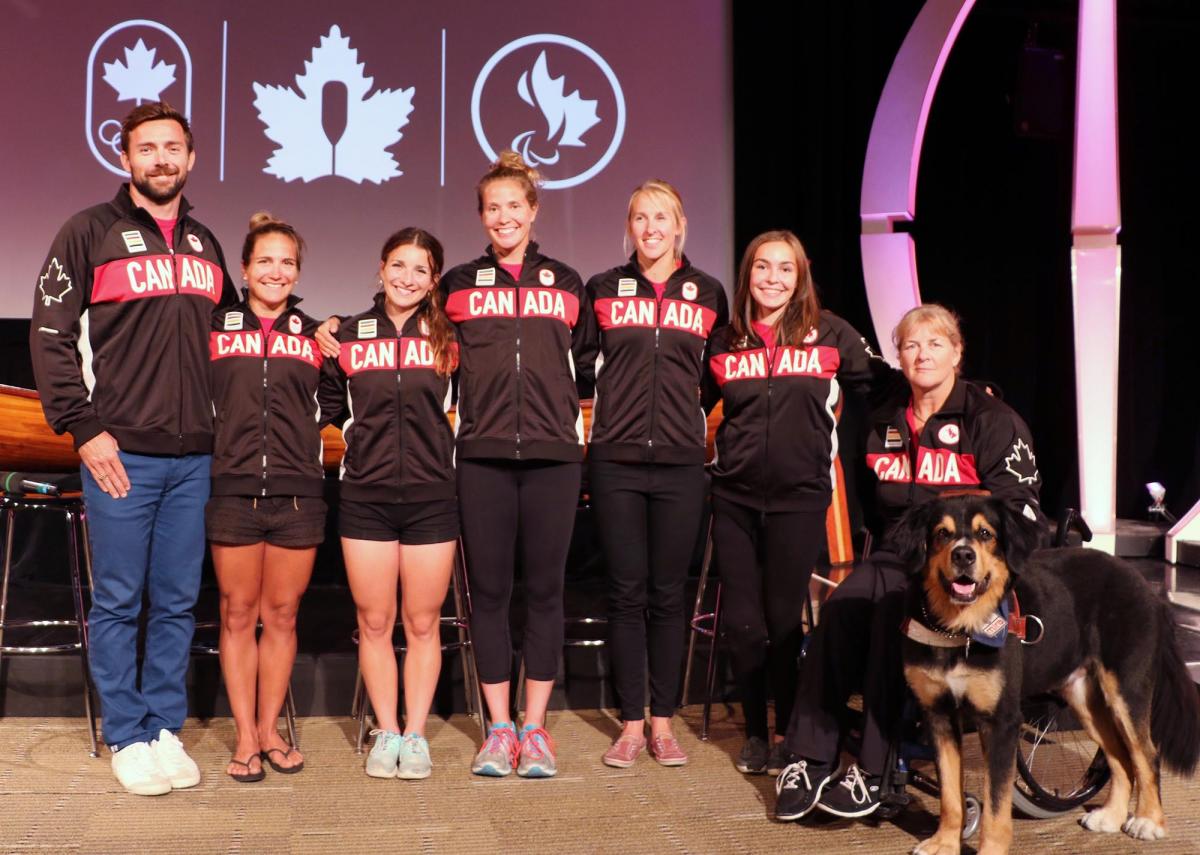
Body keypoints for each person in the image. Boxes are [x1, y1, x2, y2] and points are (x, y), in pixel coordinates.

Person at [29, 102, 236, 795]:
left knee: (177, 599)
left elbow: (233, 341)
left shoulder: (207, 245)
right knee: (119, 598)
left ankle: (164, 727)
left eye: (171, 147)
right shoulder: (87, 232)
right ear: (125, 159)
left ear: (191, 157)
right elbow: (51, 337)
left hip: (195, 457)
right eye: (145, 148)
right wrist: (83, 428)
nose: (159, 159)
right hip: (122, 455)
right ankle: (126, 732)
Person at [774, 303, 1043, 821]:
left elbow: (1023, 516)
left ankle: (873, 771)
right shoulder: (886, 413)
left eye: (935, 344)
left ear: (957, 354)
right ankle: (808, 756)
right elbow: (848, 349)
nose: (922, 355)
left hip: (964, 572)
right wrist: (794, 303)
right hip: (901, 558)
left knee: (888, 621)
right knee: (841, 607)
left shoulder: (991, 421)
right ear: (898, 355)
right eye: (911, 346)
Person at [705, 230, 890, 777]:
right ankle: (755, 734)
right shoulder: (726, 339)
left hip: (800, 497)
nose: (773, 279)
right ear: (748, 274)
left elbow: (884, 386)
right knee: (742, 621)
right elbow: (691, 400)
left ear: (800, 276)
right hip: (733, 495)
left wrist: (970, 398)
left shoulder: (832, 333)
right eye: (763, 267)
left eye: (785, 269)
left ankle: (787, 727)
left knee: (783, 619)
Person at [444, 151, 597, 778]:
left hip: (554, 457)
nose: (504, 216)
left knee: (544, 592)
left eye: (515, 205)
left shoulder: (567, 283)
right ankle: (498, 728)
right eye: (493, 207)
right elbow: (415, 337)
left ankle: (536, 730)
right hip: (480, 456)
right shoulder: (455, 284)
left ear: (533, 211)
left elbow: (588, 365)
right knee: (490, 593)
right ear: (481, 216)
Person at [585, 180, 727, 767]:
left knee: (669, 595)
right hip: (615, 459)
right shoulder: (602, 289)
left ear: (681, 226)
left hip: (678, 464)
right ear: (630, 227)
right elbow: (575, 365)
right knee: (625, 594)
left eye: (661, 217)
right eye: (640, 217)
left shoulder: (709, 292)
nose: (651, 228)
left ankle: (663, 723)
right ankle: (629, 724)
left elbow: (720, 372)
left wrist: (686, 413)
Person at [319, 228, 460, 780]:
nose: (407, 278)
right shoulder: (349, 335)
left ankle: (417, 735)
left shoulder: (451, 338)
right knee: (374, 622)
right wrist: (321, 329)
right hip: (366, 499)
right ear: (380, 269)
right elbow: (323, 405)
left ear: (434, 281)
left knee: (423, 623)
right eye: (398, 265)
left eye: (420, 270)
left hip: (431, 498)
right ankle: (386, 731)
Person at [207, 213, 325, 782]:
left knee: (281, 615)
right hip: (231, 492)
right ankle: (246, 735)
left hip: (298, 496)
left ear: (297, 271)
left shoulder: (318, 336)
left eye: (287, 262)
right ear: (245, 269)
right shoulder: (213, 327)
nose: (275, 271)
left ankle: (271, 727)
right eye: (265, 261)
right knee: (238, 614)